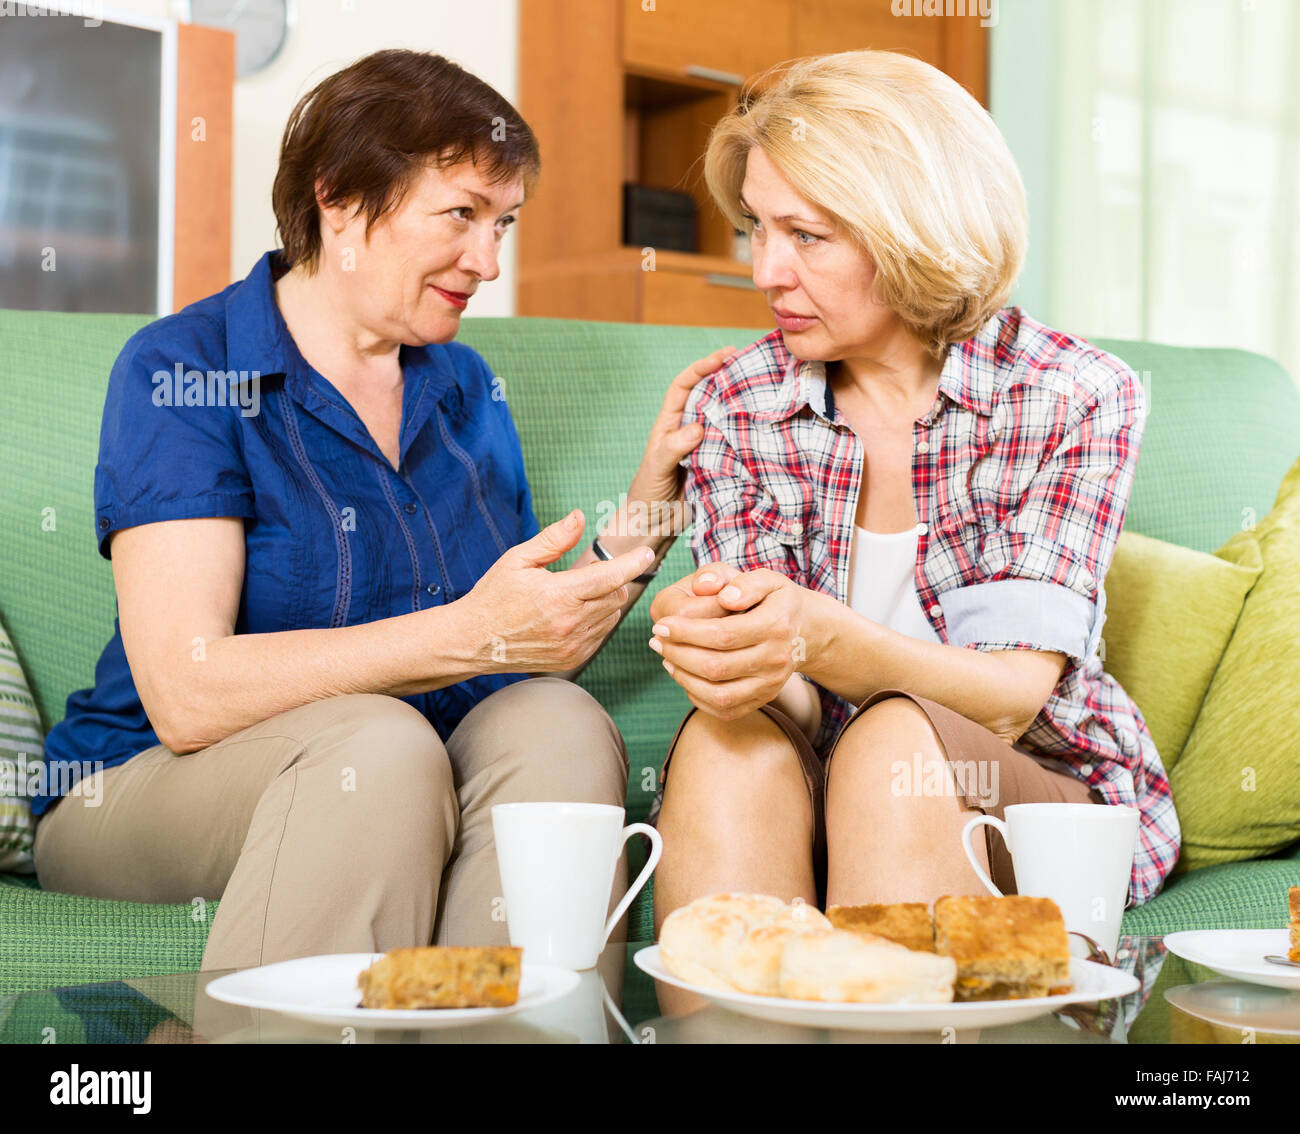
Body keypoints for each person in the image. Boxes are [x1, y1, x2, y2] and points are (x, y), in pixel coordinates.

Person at [31, 49, 729, 973]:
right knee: (380, 743)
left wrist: (651, 507)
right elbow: (188, 694)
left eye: (504, 224)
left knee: (556, 721)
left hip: (414, 760)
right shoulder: (182, 371)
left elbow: (518, 644)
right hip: (143, 783)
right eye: (461, 216)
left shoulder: (468, 385)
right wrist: (465, 635)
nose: (485, 260)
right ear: (342, 199)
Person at [646, 50, 1180, 939]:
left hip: (1023, 778)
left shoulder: (1070, 393)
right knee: (726, 741)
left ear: (913, 228)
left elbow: (1013, 696)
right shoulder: (737, 400)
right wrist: (737, 653)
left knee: (894, 746)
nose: (766, 272)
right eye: (756, 228)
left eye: (806, 236)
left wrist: (817, 632)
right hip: (816, 780)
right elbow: (797, 699)